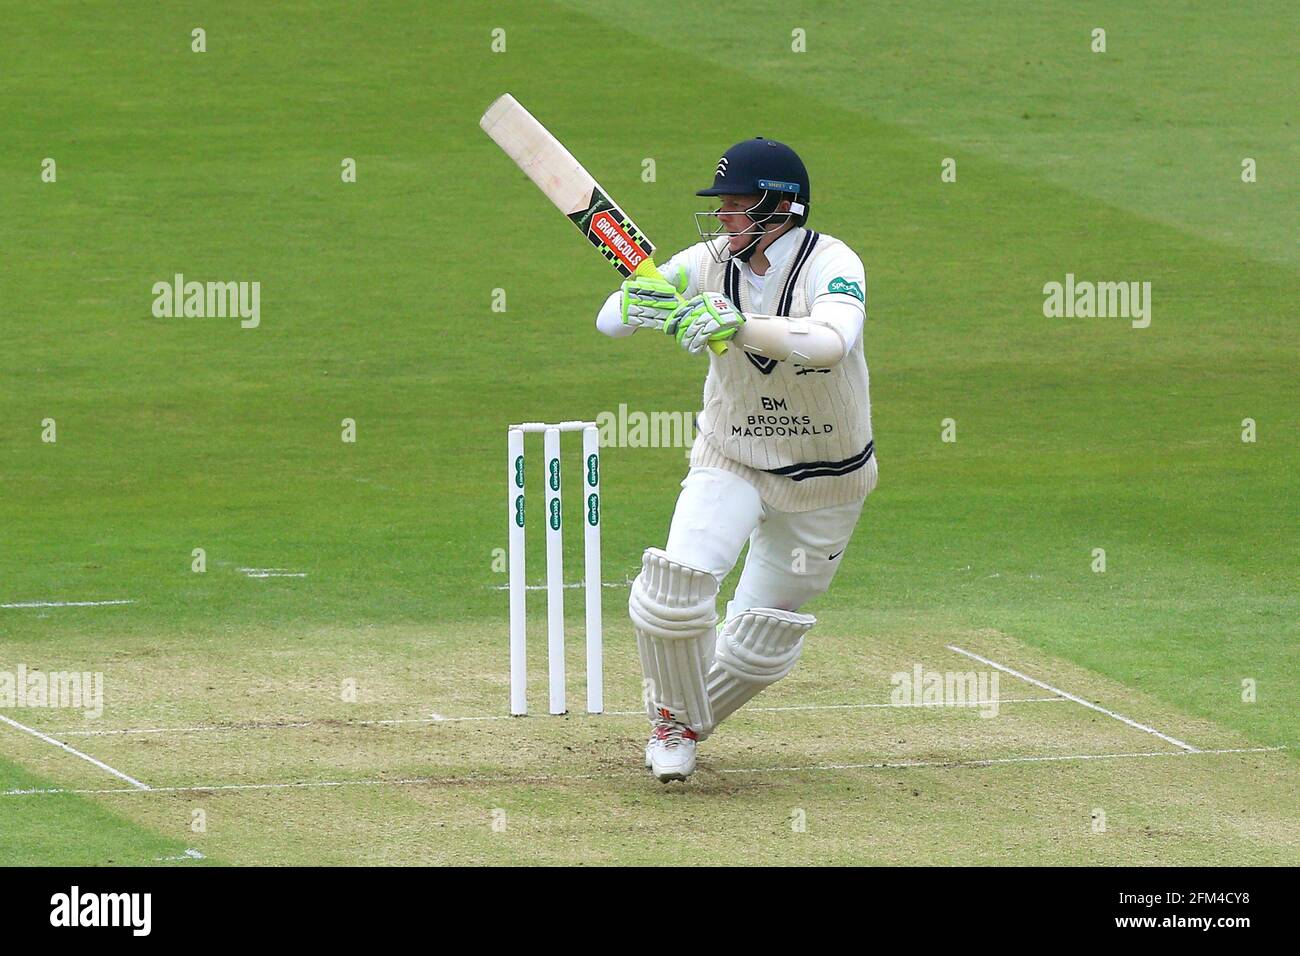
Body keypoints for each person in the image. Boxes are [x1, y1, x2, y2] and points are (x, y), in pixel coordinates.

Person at [594, 137, 877, 782]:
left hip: (827, 475)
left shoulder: (832, 261)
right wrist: (637, 305)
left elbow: (833, 341)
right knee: (672, 593)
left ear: (780, 209)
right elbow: (611, 320)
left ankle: (685, 718)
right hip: (733, 453)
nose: (723, 217)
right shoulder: (706, 260)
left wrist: (737, 325)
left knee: (761, 643)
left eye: (736, 204)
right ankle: (672, 719)